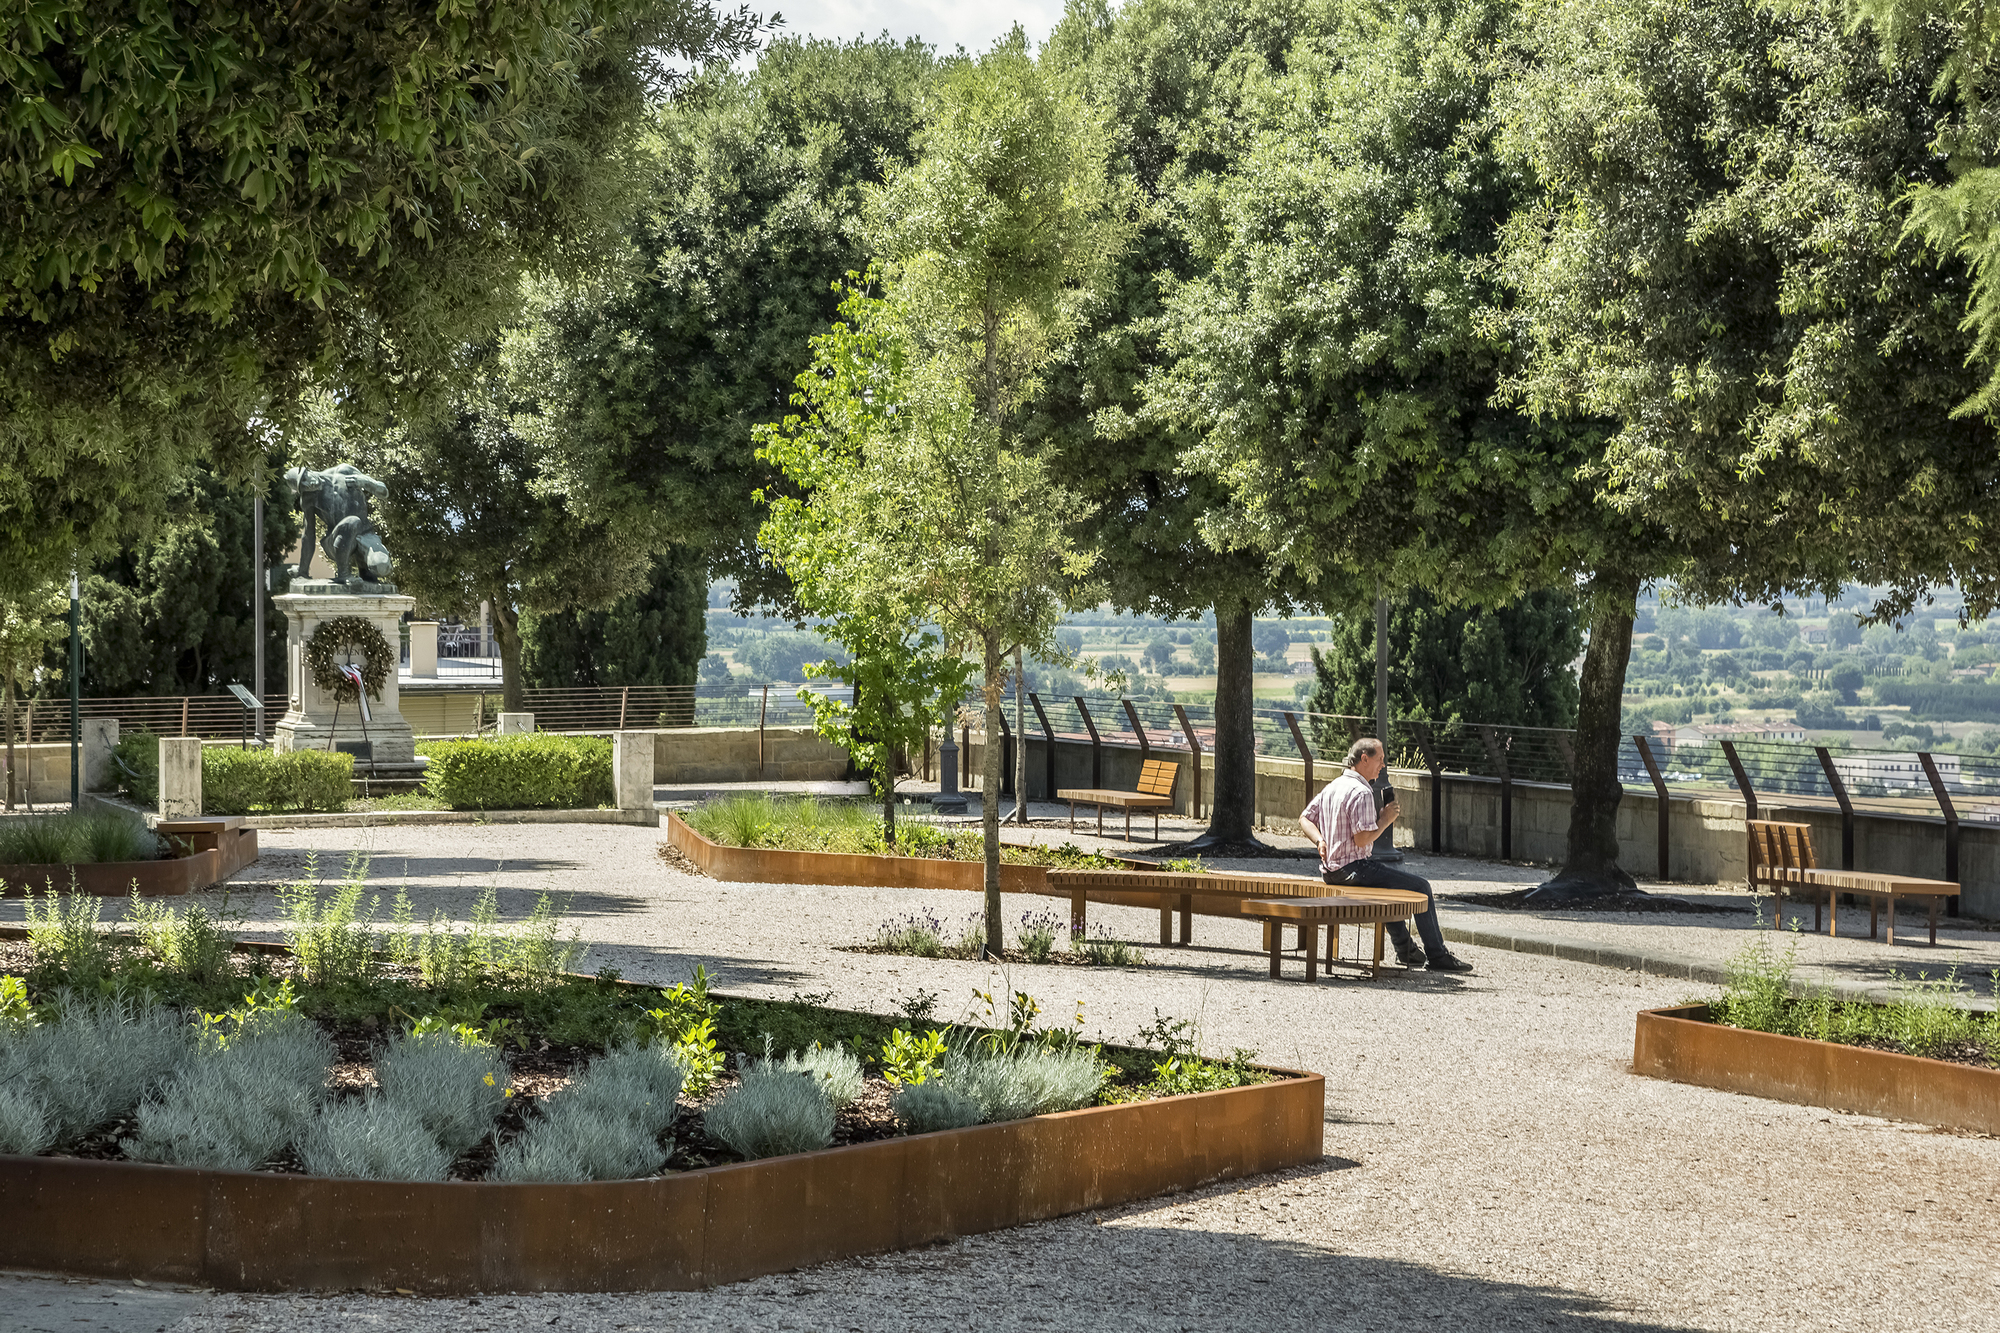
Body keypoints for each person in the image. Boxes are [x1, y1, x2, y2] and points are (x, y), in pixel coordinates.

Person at [1299, 737, 1472, 973]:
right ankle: (1438, 955)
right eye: (1380, 759)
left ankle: (1406, 950)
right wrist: (1384, 820)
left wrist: (1319, 840)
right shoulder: (1361, 792)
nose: (1382, 765)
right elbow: (1362, 838)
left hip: (1331, 873)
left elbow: (1304, 818)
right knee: (1421, 887)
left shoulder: (1333, 786)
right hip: (1354, 868)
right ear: (1364, 759)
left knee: (1388, 888)